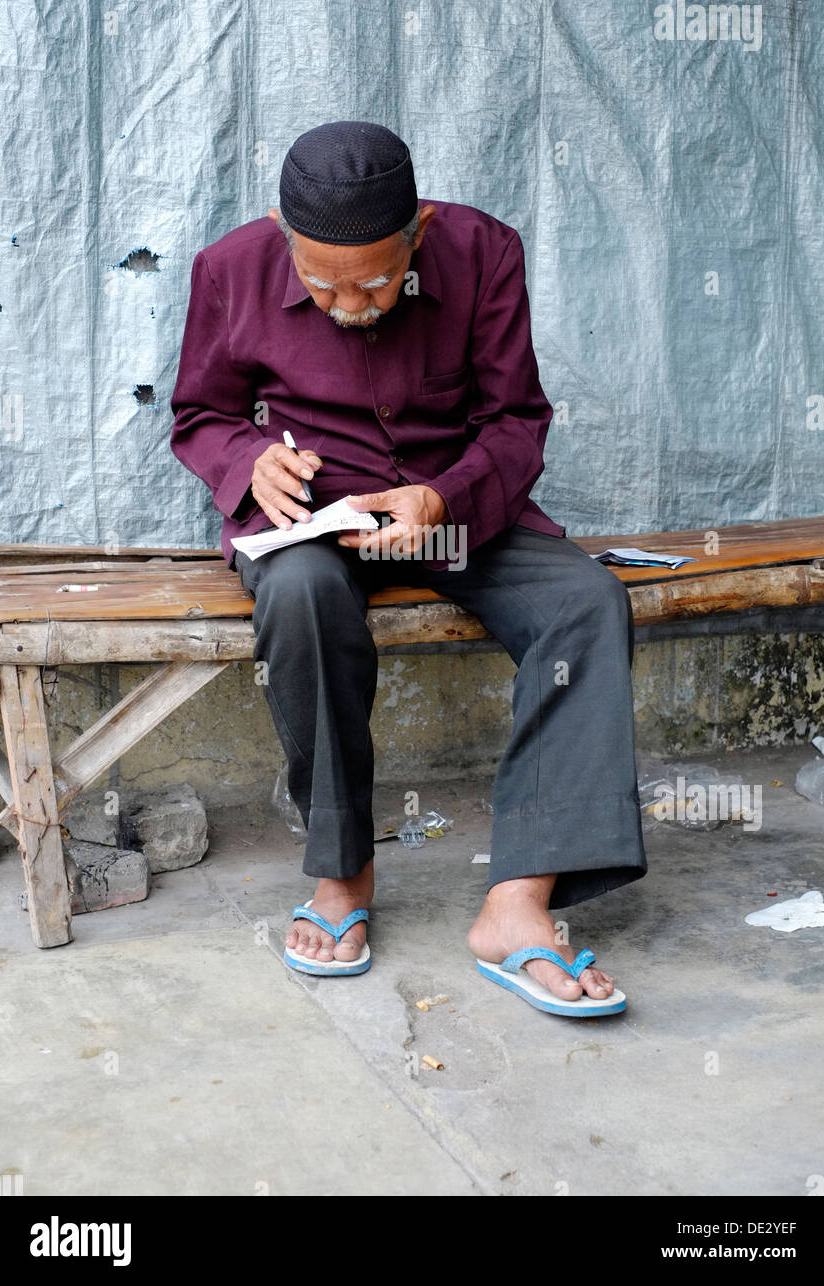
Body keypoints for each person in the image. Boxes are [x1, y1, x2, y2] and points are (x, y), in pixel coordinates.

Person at [170, 121, 646, 1016]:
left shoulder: (483, 252)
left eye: (379, 282)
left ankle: (519, 904)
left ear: (418, 230)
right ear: (282, 231)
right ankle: (343, 874)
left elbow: (516, 421)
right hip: (314, 521)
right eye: (321, 286)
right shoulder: (228, 269)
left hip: (451, 511)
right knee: (303, 595)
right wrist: (246, 463)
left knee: (585, 601)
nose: (351, 306)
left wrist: (445, 497)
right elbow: (200, 414)